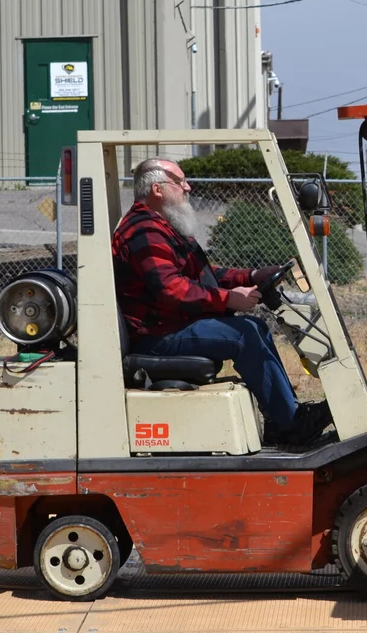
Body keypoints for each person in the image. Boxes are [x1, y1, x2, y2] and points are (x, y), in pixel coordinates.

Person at [112, 157, 332, 446]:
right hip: (157, 335)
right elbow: (171, 289)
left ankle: (283, 419)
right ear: (157, 189)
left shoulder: (164, 227)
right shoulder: (144, 231)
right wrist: (228, 299)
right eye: (180, 182)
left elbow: (204, 274)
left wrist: (252, 276)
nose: (187, 187)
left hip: (172, 326)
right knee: (244, 334)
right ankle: (291, 424)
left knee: (254, 327)